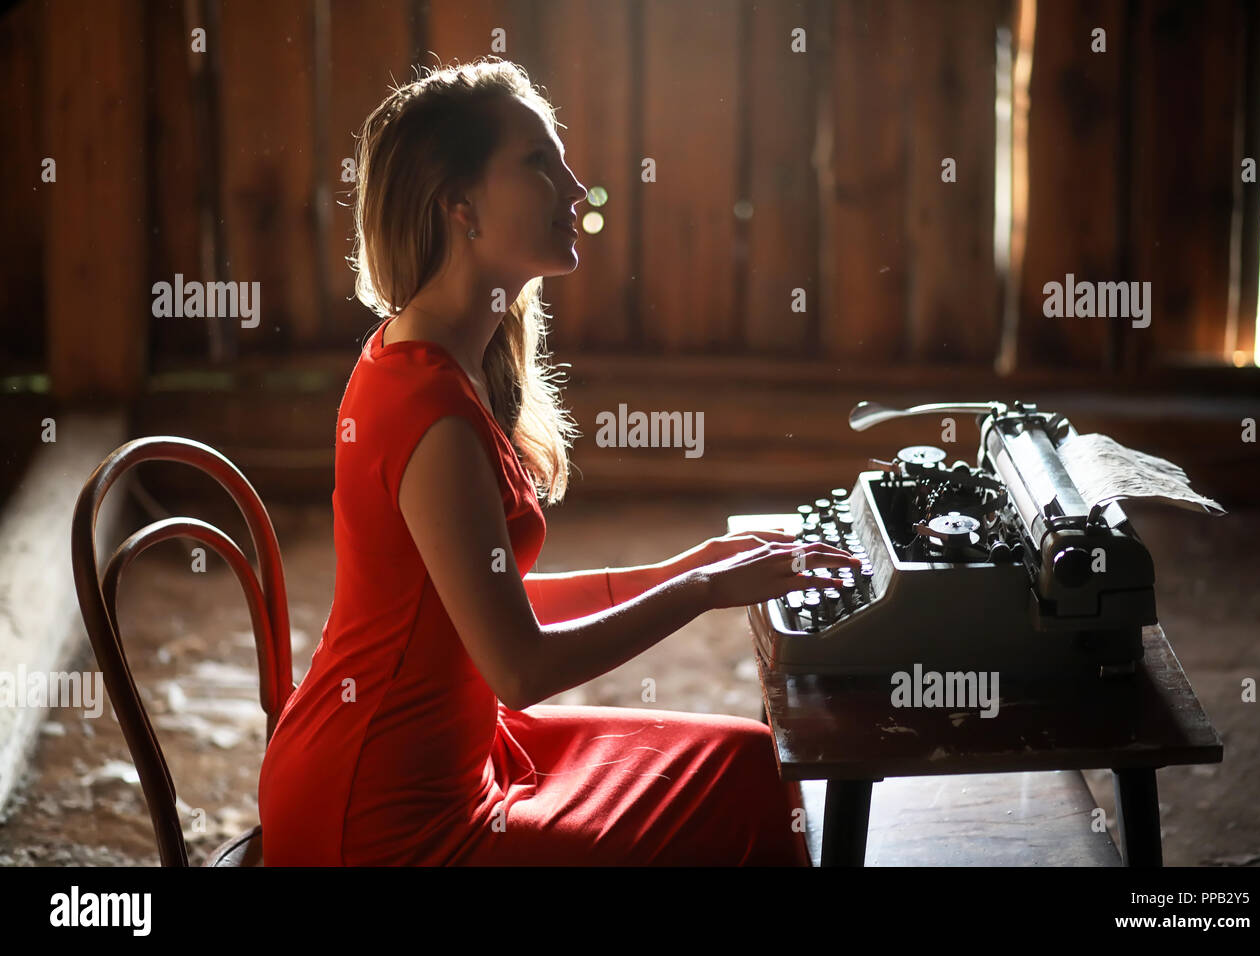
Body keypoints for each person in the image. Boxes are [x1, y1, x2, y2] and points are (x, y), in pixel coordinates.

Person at [257, 57, 861, 866]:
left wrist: (689, 563)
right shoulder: (427, 410)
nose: (578, 188)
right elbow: (519, 666)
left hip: (453, 756)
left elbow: (486, 604)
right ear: (460, 206)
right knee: (745, 793)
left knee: (749, 762)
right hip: (384, 815)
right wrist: (704, 589)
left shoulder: (439, 358)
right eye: (539, 163)